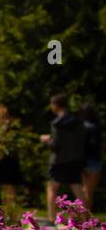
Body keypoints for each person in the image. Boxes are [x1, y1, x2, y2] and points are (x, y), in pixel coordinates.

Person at [39, 93, 85, 222]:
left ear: (56, 105)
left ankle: (52, 218)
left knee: (52, 188)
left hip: (58, 160)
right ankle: (86, 218)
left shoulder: (57, 123)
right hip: (75, 158)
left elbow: (55, 145)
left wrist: (47, 140)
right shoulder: (77, 121)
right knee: (77, 187)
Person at [81, 103, 101, 212]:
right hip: (94, 160)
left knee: (84, 190)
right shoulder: (95, 126)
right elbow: (95, 144)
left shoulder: (81, 126)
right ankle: (86, 217)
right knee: (89, 191)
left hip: (82, 161)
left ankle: (84, 216)